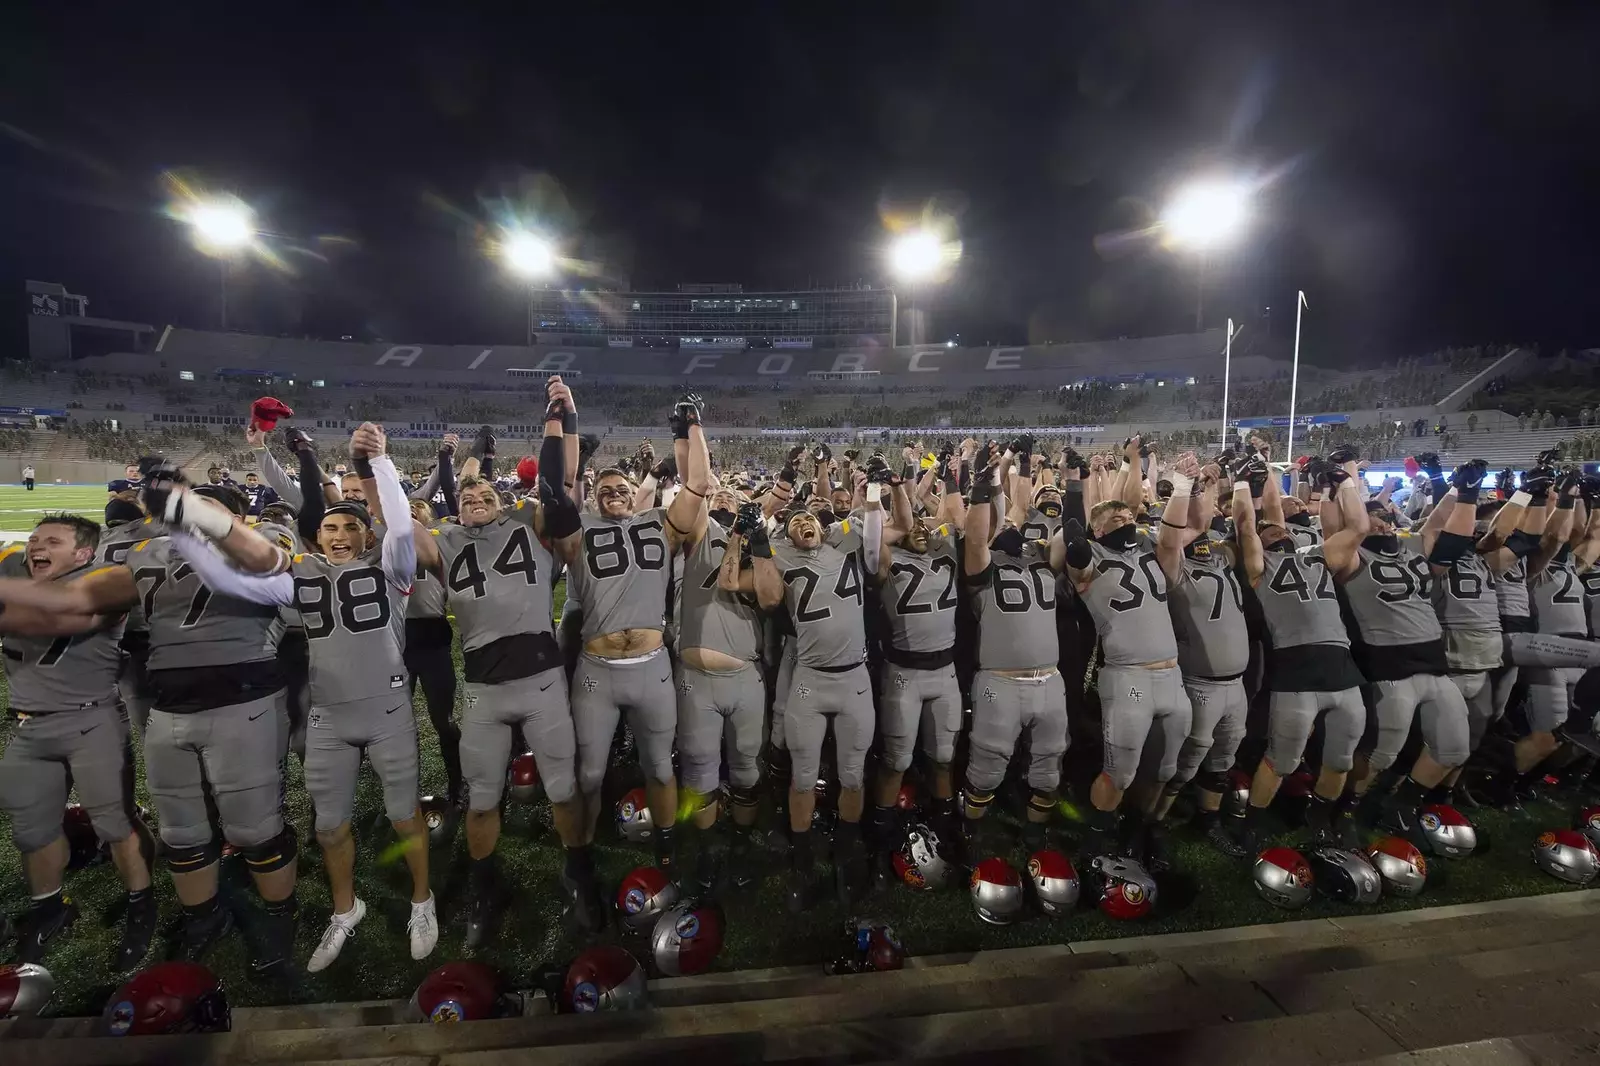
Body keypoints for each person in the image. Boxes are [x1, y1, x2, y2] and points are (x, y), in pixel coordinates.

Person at [154, 423, 438, 972]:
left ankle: (422, 900)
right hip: (329, 716)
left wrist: (378, 463)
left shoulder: (390, 568)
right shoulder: (300, 576)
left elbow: (401, 526)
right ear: (316, 536)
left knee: (405, 817)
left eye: (349, 528)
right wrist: (188, 529)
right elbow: (234, 582)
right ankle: (344, 908)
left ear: (364, 537)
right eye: (330, 527)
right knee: (329, 825)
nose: (338, 534)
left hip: (387, 712)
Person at [0, 480, 301, 970]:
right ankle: (203, 916)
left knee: (254, 827)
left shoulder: (262, 532)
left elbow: (269, 562)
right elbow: (70, 602)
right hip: (167, 706)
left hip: (242, 699)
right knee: (181, 831)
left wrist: (201, 514)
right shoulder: (145, 554)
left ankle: (277, 914)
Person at [407, 382, 587, 944]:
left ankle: (577, 873)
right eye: (467, 495)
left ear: (502, 495)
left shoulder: (529, 521)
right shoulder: (445, 541)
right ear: (456, 505)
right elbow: (398, 522)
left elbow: (564, 485)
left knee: (562, 787)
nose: (476, 499)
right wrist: (373, 468)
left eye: (485, 492)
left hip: (540, 679)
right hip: (484, 686)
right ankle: (484, 888)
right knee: (482, 797)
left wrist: (562, 420)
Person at [549, 385, 708, 881]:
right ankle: (581, 858)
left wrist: (692, 427)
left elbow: (699, 486)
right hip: (597, 670)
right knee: (590, 774)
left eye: (622, 488)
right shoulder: (578, 530)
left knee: (661, 767)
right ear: (594, 498)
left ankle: (665, 848)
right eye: (606, 489)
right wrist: (561, 422)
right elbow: (559, 485)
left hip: (652, 667)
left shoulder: (659, 524)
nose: (616, 493)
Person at [0, 516, 158, 969]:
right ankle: (50, 907)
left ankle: (140, 904)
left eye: (52, 541)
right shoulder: (16, 572)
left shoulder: (107, 579)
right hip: (30, 724)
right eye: (33, 540)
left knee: (116, 823)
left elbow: (62, 617)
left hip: (93, 721)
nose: (36, 547)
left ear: (84, 553)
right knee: (32, 830)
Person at [1229, 449, 1368, 853]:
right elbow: (1245, 525)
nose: (1280, 530)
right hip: (1295, 668)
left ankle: (1321, 816)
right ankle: (1251, 822)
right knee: (1283, 759)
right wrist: (1242, 484)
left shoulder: (1317, 556)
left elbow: (1357, 526)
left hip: (1341, 667)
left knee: (1340, 757)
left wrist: (1341, 483)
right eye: (1271, 531)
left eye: (1282, 528)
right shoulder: (1260, 567)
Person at [752, 484, 882, 910]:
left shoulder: (848, 541)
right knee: (803, 775)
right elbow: (751, 583)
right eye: (795, 522)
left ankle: (847, 847)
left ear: (823, 526)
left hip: (855, 677)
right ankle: (803, 856)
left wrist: (881, 494)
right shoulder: (780, 554)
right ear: (785, 535)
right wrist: (756, 536)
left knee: (853, 773)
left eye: (809, 519)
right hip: (809, 677)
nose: (804, 523)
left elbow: (889, 530)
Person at [1064, 436, 1188, 868]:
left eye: (1126, 514)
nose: (1123, 516)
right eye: (1113, 516)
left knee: (1165, 769)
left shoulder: (1151, 552)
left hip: (1172, 676)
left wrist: (1182, 483)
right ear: (1098, 529)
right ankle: (1098, 838)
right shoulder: (1089, 557)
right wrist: (1075, 489)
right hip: (1127, 675)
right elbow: (1076, 550)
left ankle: (1139, 830)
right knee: (1120, 770)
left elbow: (1164, 531)